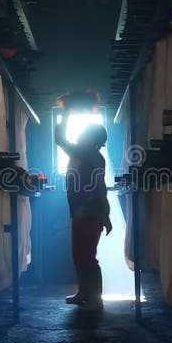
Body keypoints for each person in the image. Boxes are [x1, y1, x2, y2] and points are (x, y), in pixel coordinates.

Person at [54, 107, 112, 311]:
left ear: (91, 139)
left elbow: (60, 139)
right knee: (82, 255)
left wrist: (66, 114)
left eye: (84, 133)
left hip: (88, 213)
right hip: (85, 212)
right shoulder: (90, 154)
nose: (80, 135)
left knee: (85, 256)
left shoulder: (85, 153)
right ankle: (86, 293)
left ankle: (93, 296)